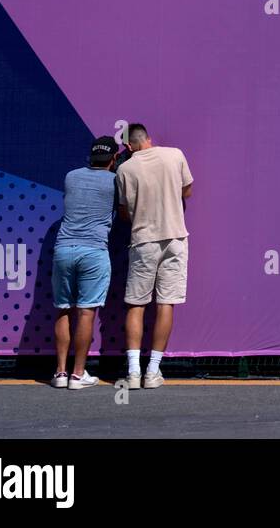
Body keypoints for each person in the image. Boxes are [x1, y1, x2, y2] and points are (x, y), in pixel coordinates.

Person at [116, 123, 193, 390]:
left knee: (136, 305)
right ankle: (153, 371)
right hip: (175, 237)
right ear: (149, 138)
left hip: (143, 240)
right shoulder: (175, 155)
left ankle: (134, 372)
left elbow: (124, 212)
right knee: (165, 304)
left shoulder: (124, 169)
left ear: (127, 146)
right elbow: (188, 190)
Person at [51, 137, 120, 390]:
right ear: (113, 159)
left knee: (63, 309)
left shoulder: (71, 176)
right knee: (86, 312)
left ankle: (60, 372)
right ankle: (78, 375)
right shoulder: (115, 181)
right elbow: (122, 211)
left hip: (63, 249)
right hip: (93, 250)